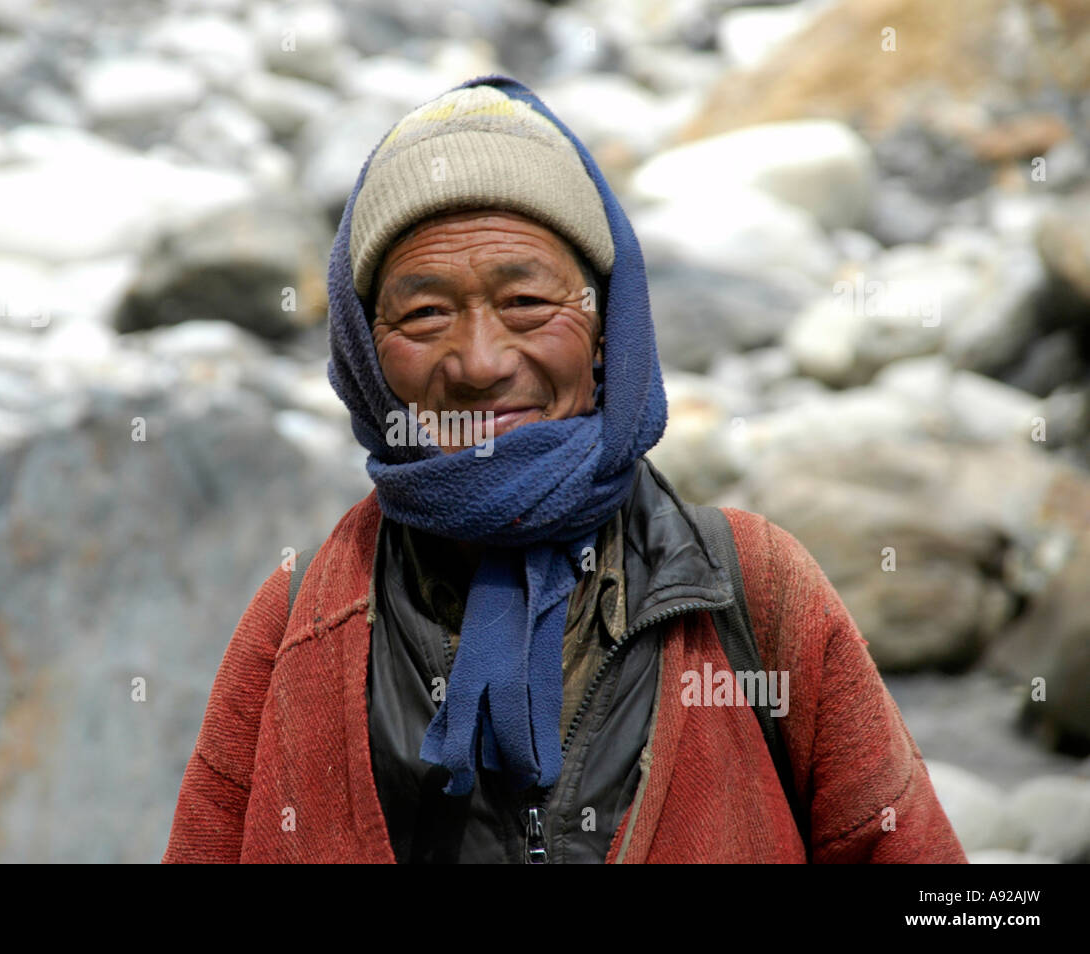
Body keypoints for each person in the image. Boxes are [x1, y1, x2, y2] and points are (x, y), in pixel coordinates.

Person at [162, 74, 967, 864]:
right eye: (425, 313)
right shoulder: (303, 621)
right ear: (365, 360)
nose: (479, 362)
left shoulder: (752, 593)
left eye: (526, 304)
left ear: (606, 327)